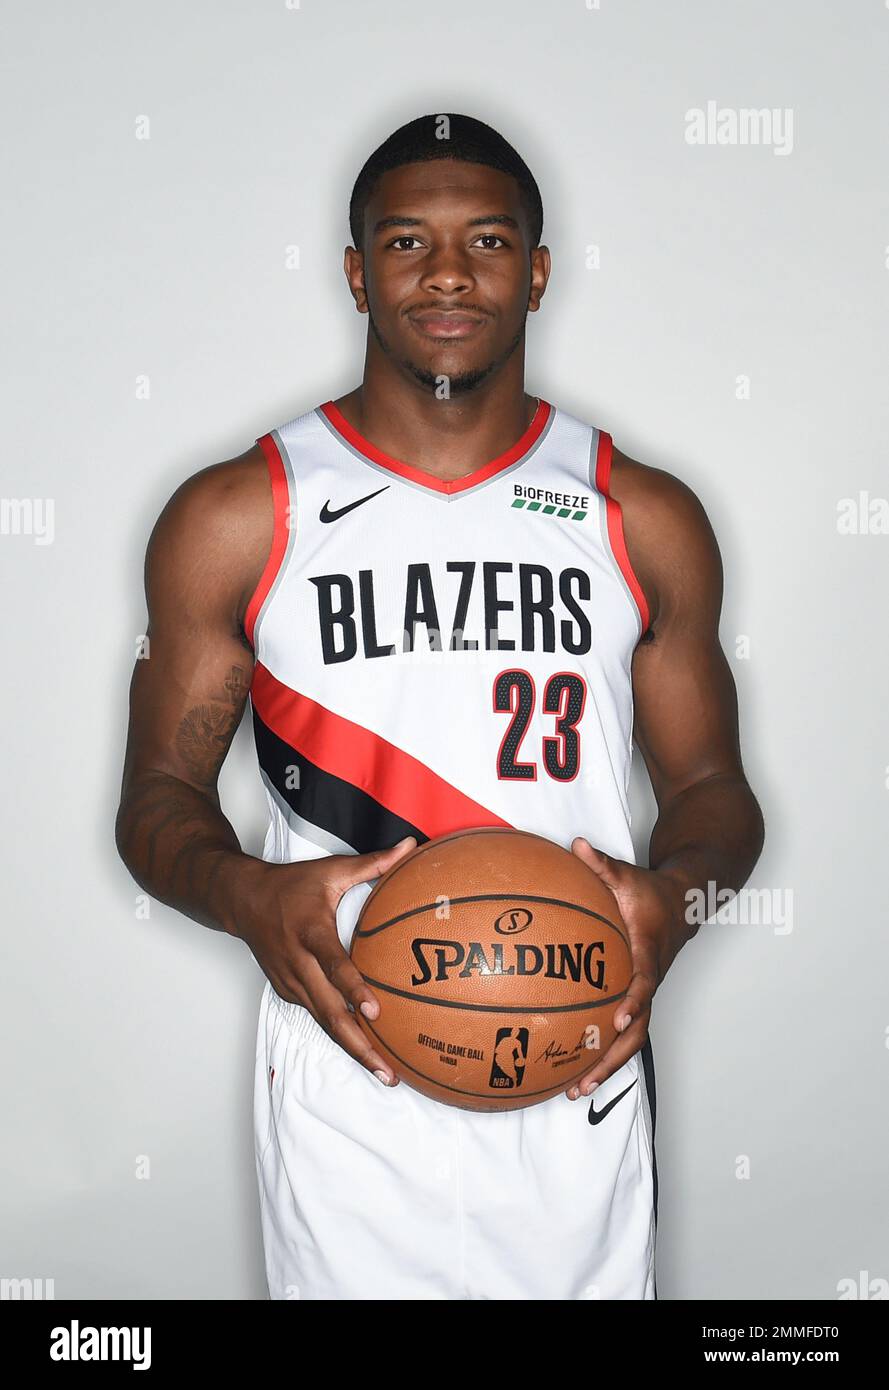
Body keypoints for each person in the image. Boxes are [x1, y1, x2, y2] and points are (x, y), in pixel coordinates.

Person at [115, 112, 764, 1300]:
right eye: (408, 242)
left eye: (489, 241)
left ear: (539, 269)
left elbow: (716, 791)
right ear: (357, 271)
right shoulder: (240, 513)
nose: (450, 273)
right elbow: (155, 797)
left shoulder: (641, 516)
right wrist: (245, 893)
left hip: (578, 1050)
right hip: (350, 1054)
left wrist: (672, 904)